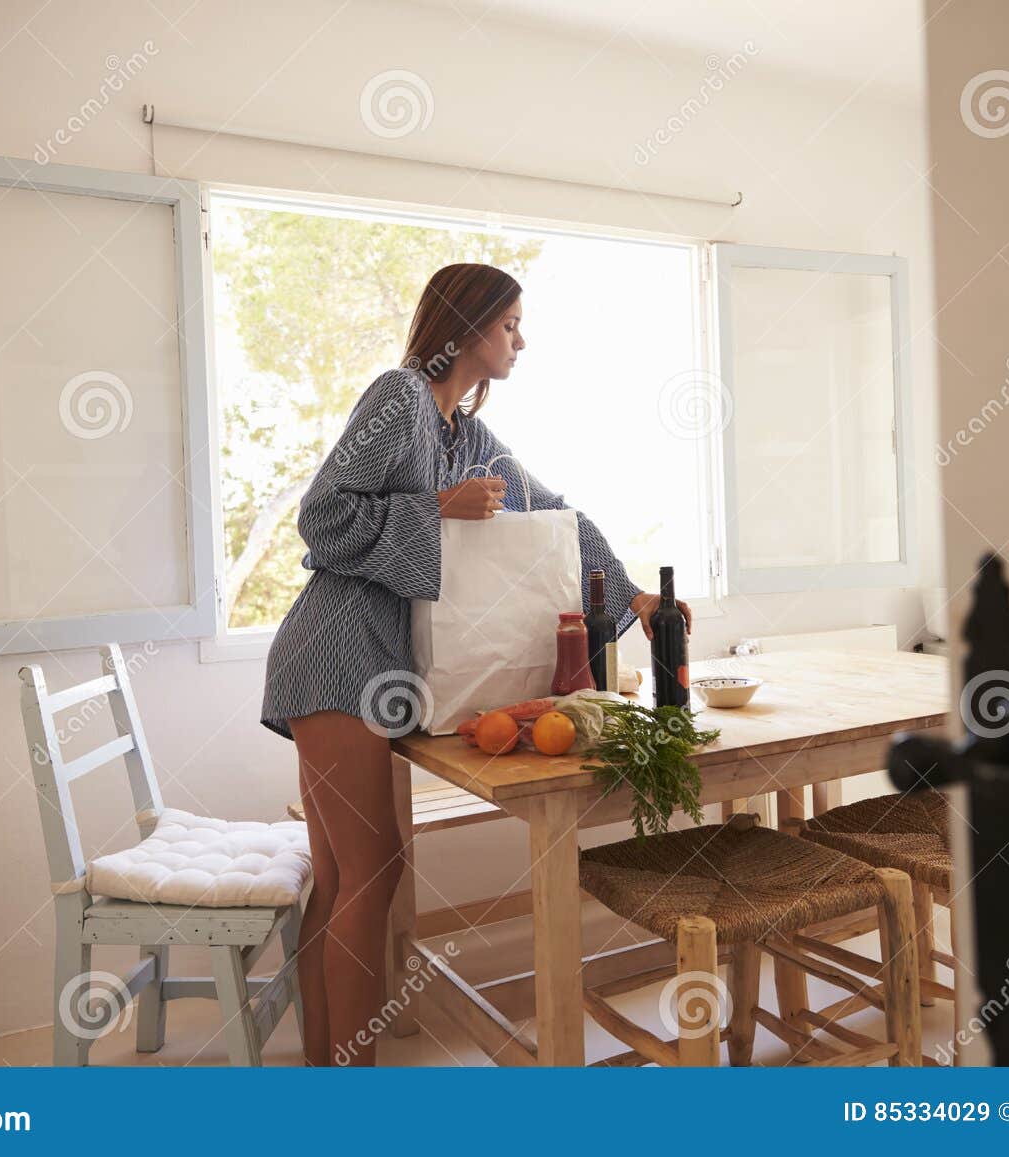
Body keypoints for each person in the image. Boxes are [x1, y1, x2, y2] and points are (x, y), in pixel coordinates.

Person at [261, 262, 692, 1066]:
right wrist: (435, 508)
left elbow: (554, 512)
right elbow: (321, 517)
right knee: (374, 872)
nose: (520, 341)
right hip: (336, 652)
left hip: (377, 664)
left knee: (346, 877)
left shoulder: (465, 433)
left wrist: (633, 594)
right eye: (509, 325)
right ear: (464, 327)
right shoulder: (399, 397)